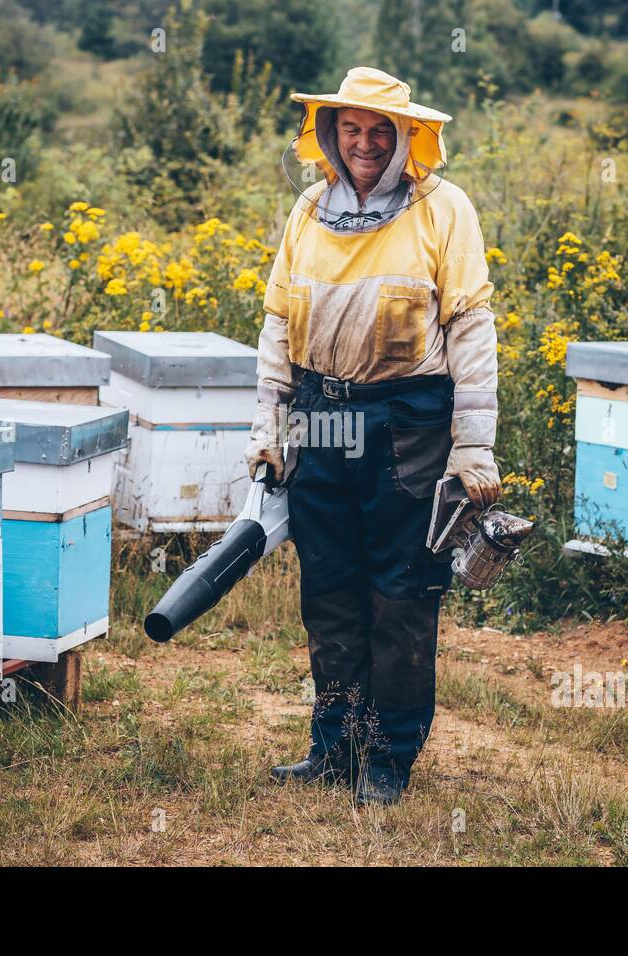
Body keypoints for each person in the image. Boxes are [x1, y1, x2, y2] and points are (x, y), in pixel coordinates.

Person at [246, 67, 501, 805]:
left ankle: (389, 761)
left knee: (400, 595)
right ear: (330, 133)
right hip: (322, 414)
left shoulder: (443, 210)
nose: (363, 143)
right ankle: (335, 747)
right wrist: (270, 426)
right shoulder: (307, 209)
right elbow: (277, 322)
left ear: (404, 138)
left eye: (378, 130)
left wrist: (473, 445)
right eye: (350, 129)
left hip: (407, 422)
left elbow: (472, 329)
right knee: (329, 591)